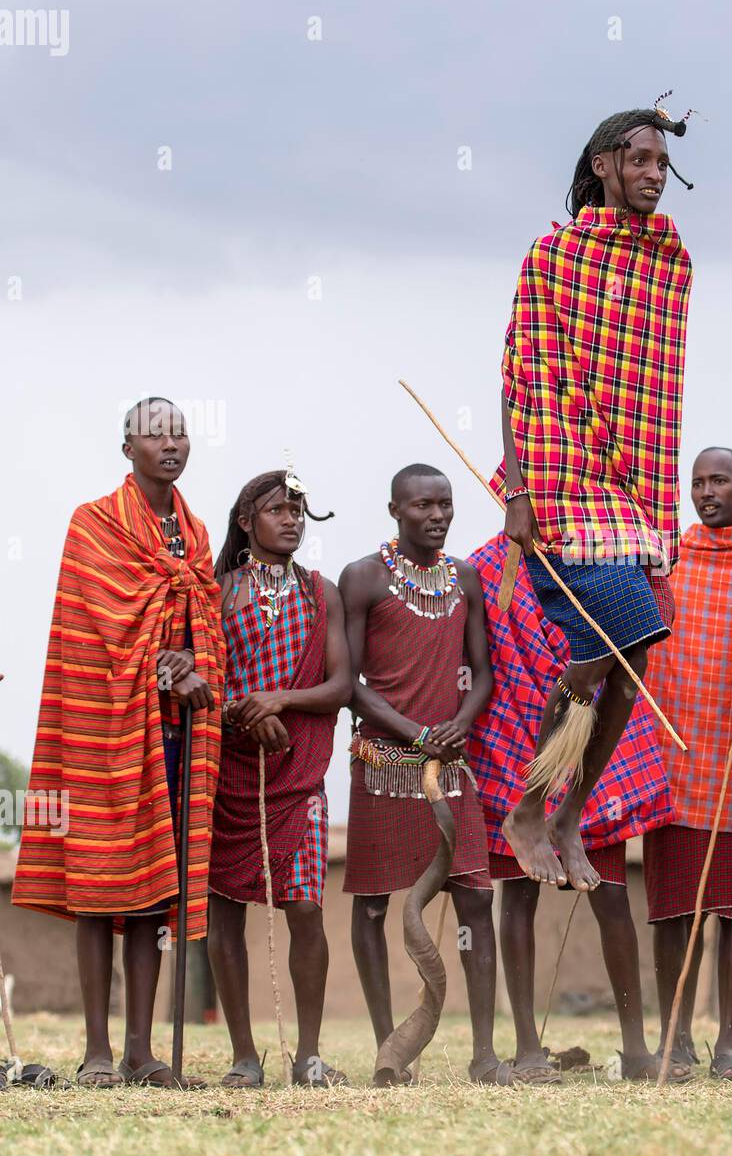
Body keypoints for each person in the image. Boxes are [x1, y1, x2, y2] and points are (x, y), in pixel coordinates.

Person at [495, 96, 695, 892]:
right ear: (604, 165)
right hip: (558, 483)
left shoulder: (669, 258)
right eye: (640, 161)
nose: (654, 176)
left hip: (635, 492)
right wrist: (516, 489)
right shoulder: (551, 256)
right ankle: (534, 809)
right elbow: (519, 372)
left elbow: (652, 379)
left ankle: (564, 813)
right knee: (628, 629)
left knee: (631, 647)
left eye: (663, 165)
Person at [12, 397, 223, 1088]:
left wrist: (191, 666)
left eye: (180, 432)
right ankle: (97, 1052)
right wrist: (156, 660)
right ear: (126, 446)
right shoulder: (93, 524)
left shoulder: (193, 535)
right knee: (100, 887)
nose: (171, 444)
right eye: (155, 433)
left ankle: (140, 1053)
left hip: (173, 733)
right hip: (102, 730)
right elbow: (93, 627)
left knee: (154, 899)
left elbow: (203, 628)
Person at [466, 533, 673, 1083]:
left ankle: (636, 1049)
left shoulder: (614, 550)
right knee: (519, 898)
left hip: (598, 743)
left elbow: (634, 642)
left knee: (612, 900)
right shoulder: (490, 564)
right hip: (517, 731)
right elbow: (487, 662)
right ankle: (528, 1047)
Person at [339, 465, 501, 1084]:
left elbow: (481, 671)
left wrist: (460, 720)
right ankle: (389, 1051)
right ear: (394, 511)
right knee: (374, 907)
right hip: (385, 767)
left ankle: (484, 1053)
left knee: (475, 900)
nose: (437, 516)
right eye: (423, 506)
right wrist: (412, 732)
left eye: (446, 505)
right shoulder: (363, 577)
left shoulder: (466, 578)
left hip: (452, 767)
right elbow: (347, 680)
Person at [207, 469, 351, 1088]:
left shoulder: (323, 593)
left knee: (306, 908)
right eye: (277, 510)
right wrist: (245, 713)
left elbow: (343, 686)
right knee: (223, 911)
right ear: (247, 522)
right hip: (228, 771)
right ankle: (243, 1056)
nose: (291, 519)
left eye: (298, 510)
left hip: (300, 773)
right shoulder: (218, 591)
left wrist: (279, 702)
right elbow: (204, 682)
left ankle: (309, 1055)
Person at [643, 449, 732, 1081]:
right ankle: (677, 1034)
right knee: (673, 910)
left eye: (718, 480)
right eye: (695, 482)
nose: (705, 491)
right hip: (674, 754)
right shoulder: (669, 556)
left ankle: (727, 1040)